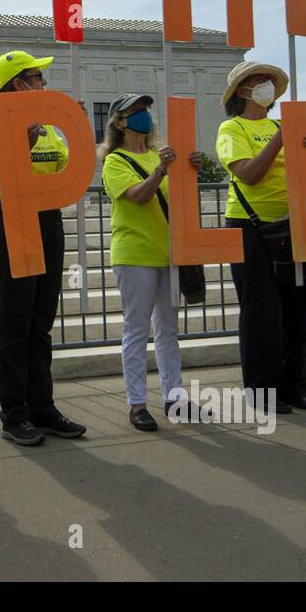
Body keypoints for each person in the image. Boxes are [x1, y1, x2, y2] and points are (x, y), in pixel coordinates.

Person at [0, 51, 87, 446]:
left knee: (41, 322)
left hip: (49, 220)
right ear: (18, 84)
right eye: (37, 78)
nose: (43, 84)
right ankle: (14, 415)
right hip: (17, 221)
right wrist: (24, 140)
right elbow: (4, 178)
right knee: (16, 323)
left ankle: (43, 407)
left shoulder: (52, 127)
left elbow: (65, 168)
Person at [216, 61, 306, 414]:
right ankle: (263, 391)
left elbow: (299, 172)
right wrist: (280, 139)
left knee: (299, 309)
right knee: (261, 312)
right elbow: (249, 175)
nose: (266, 86)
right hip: (250, 226)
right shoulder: (232, 128)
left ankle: (294, 386)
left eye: (269, 81)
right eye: (258, 81)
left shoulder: (280, 124)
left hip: (291, 223)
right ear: (242, 90)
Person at [99, 93, 204, 431]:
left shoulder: (162, 155)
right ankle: (137, 403)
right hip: (135, 254)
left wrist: (190, 170)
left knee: (168, 330)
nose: (144, 115)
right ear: (118, 122)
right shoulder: (115, 160)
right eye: (134, 111)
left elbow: (182, 199)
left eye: (145, 109)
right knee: (137, 329)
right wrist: (161, 170)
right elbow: (139, 196)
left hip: (169, 253)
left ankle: (175, 397)